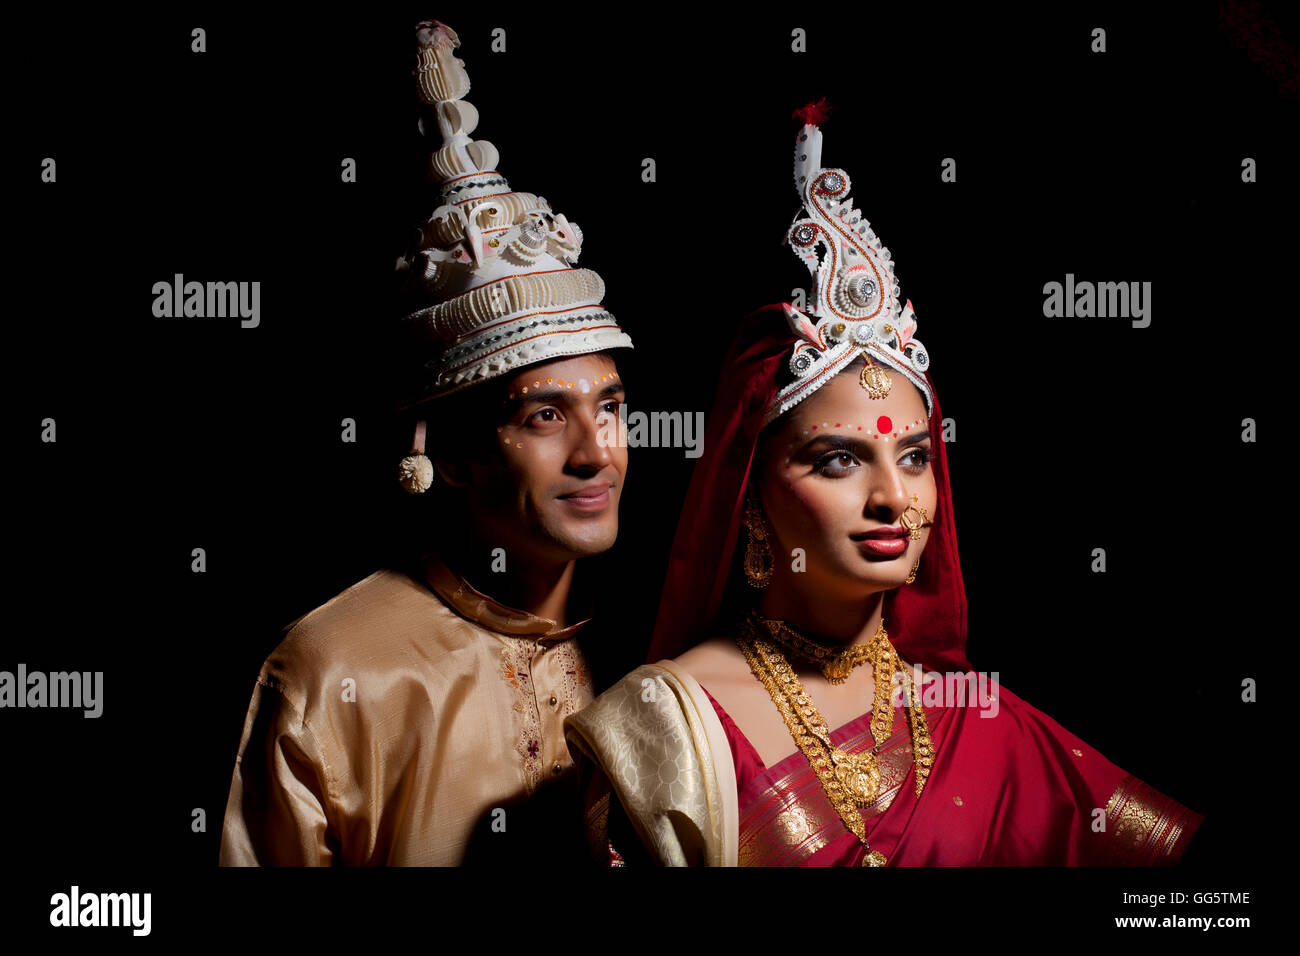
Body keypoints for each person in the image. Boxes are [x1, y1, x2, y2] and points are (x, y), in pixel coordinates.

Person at [564, 102, 1201, 866]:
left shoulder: (979, 718)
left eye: (914, 457)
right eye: (838, 459)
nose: (893, 499)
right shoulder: (668, 721)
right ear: (750, 492)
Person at [219, 20, 635, 866]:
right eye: (545, 416)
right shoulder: (335, 667)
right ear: (450, 454)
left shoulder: (659, 638)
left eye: (613, 408)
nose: (597, 452)